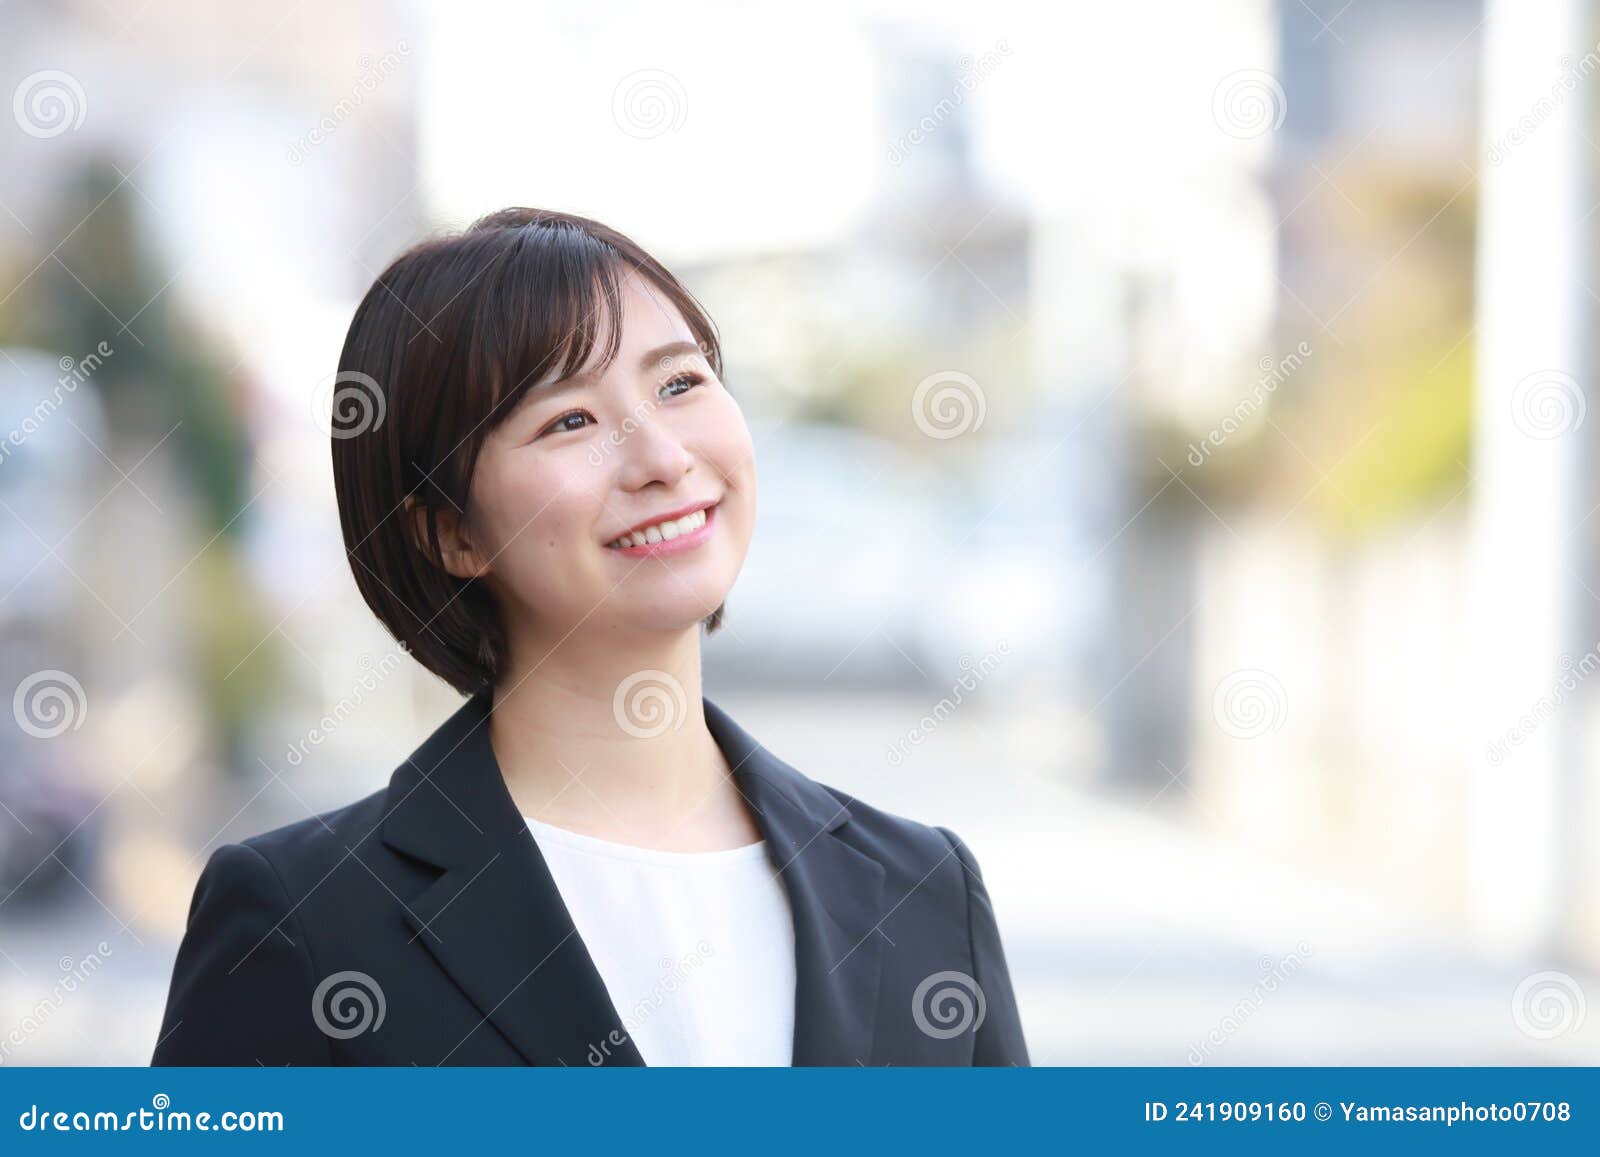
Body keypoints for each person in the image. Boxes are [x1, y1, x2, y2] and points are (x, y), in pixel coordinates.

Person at [151, 208, 1029, 1067]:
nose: (663, 458)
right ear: (450, 533)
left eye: (679, 384)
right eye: (569, 420)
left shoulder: (924, 891)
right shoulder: (308, 920)